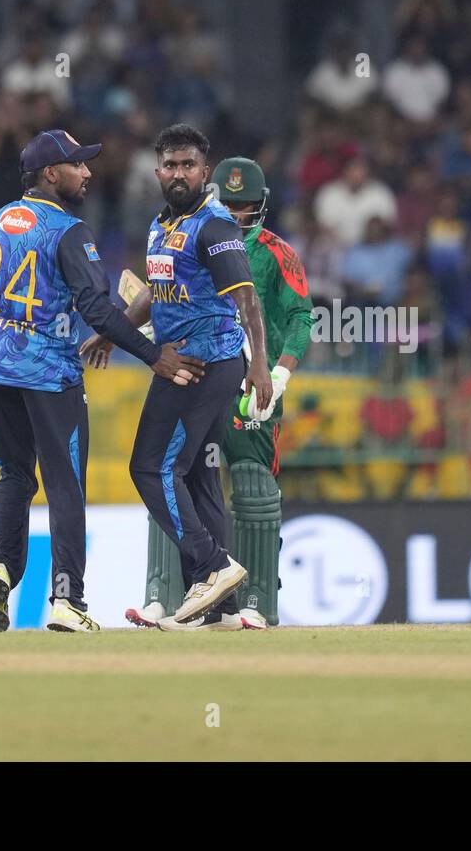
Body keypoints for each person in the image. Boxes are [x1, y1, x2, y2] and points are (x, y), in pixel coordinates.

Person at [0, 129, 205, 633]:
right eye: (78, 165)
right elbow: (95, 307)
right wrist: (151, 355)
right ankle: (66, 600)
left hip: (0, 368)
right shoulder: (70, 231)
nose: (88, 173)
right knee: (65, 486)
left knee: (13, 475)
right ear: (51, 174)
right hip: (51, 374)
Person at [81, 125, 273, 630]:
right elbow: (154, 292)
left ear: (204, 173)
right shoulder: (162, 225)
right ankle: (223, 609)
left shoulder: (213, 226)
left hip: (199, 365)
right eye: (171, 165)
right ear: (158, 171)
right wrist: (115, 330)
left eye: (189, 165)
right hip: (188, 362)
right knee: (196, 475)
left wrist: (258, 363)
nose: (179, 173)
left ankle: (213, 568)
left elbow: (246, 296)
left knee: (151, 468)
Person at [124, 156, 313, 630]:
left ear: (262, 206)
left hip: (253, 383)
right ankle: (172, 596)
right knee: (182, 477)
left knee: (249, 486)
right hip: (202, 371)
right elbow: (161, 292)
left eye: (247, 206)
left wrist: (279, 370)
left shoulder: (274, 251)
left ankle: (256, 603)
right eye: (230, 205)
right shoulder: (189, 233)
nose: (239, 213)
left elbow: (301, 318)